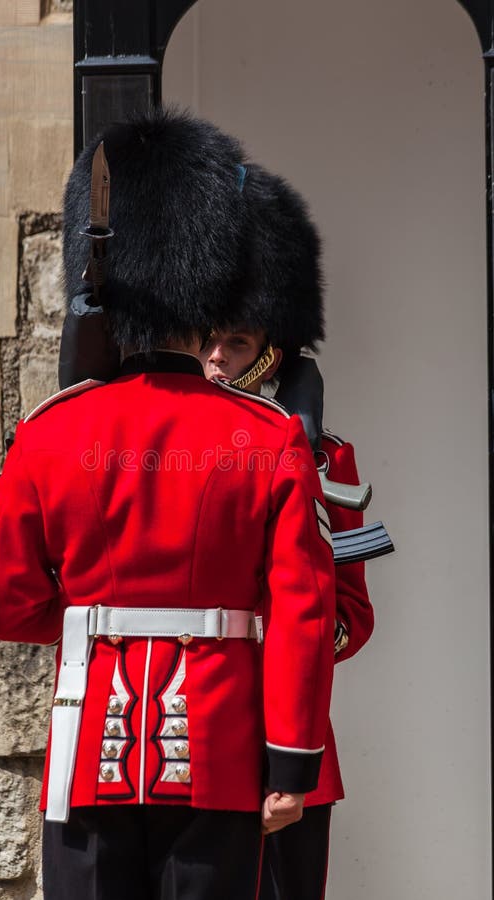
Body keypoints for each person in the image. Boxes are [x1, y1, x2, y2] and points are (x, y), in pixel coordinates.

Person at [0, 109, 336, 900]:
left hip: (87, 743)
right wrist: (292, 760)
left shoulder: (48, 433)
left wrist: (89, 616)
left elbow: (2, 605)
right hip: (221, 750)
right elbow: (304, 613)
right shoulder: (266, 437)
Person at [198, 164, 374, 900]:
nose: (214, 359)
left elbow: (351, 619)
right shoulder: (163, 453)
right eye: (206, 339)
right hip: (194, 725)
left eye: (234, 344)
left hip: (288, 737)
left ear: (271, 353)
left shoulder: (327, 458)